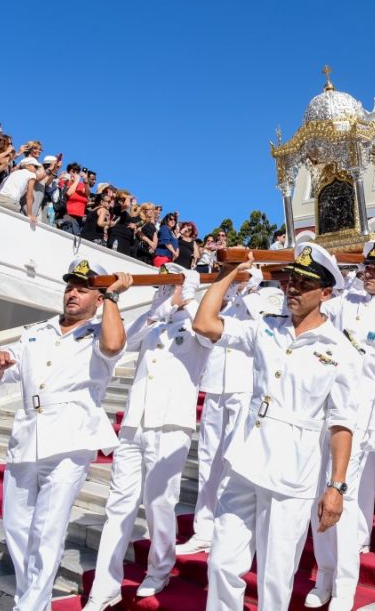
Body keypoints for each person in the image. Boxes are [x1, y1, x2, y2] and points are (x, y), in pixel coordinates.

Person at [193, 243, 359, 611]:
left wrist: (336, 487)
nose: (293, 288)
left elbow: (342, 423)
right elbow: (204, 323)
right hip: (245, 459)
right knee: (221, 563)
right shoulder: (267, 327)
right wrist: (228, 273)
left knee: (275, 576)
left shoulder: (341, 350)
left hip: (292, 471)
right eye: (292, 280)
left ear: (326, 293)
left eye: (305, 283)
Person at [0, 260, 131, 611]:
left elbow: (112, 347)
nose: (72, 294)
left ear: (97, 299)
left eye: (82, 289)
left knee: (47, 530)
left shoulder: (100, 331)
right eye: (69, 287)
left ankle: (30, 606)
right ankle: (32, 599)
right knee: (17, 528)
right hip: (27, 436)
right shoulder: (37, 332)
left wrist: (112, 297)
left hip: (70, 438)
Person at [83, 266, 209, 609]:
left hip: (171, 425)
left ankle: (160, 567)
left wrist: (191, 296)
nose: (167, 288)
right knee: (118, 505)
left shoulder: (196, 319)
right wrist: (160, 306)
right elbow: (125, 341)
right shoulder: (158, 320)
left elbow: (209, 333)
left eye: (172, 281)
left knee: (159, 504)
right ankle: (104, 586)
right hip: (134, 423)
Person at [306, 241, 375, 610]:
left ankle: (345, 584)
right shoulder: (344, 304)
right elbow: (317, 298)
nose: (369, 275)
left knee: (345, 503)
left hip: (360, 418)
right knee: (318, 495)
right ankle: (324, 573)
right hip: (324, 412)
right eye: (367, 268)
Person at [176, 274, 277, 556]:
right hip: (216, 386)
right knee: (209, 462)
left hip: (244, 388)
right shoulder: (221, 303)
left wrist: (248, 288)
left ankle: (230, 530)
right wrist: (222, 289)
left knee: (235, 463)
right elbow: (204, 335)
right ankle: (204, 529)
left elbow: (265, 323)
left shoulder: (263, 297)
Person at [0, 157, 40, 223]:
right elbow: (29, 195)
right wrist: (29, 214)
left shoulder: (14, 172)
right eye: (36, 167)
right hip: (11, 201)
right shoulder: (31, 175)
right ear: (28, 165)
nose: (36, 169)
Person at [58, 163, 89, 235]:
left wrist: (86, 181)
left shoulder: (80, 185)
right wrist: (76, 181)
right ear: (69, 172)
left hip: (79, 218)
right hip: (68, 215)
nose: (75, 174)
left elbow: (87, 193)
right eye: (73, 171)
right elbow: (69, 193)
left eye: (77, 172)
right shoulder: (65, 182)